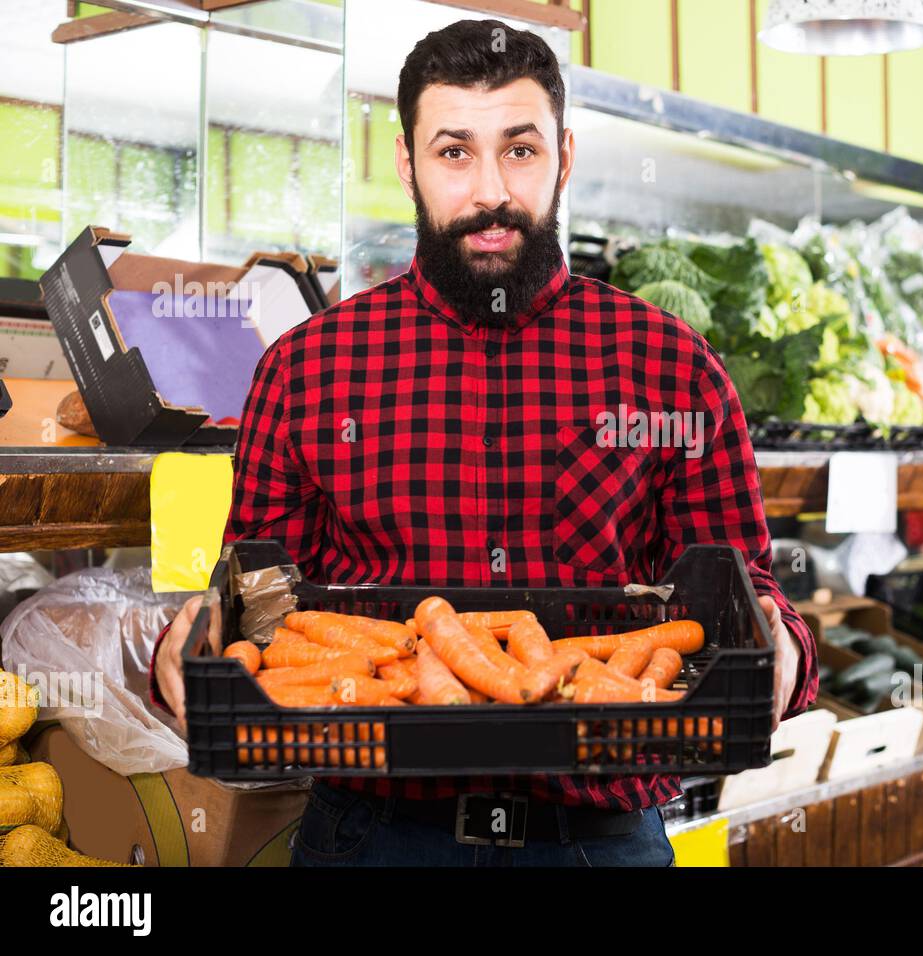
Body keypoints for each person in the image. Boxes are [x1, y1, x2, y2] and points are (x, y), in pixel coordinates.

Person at [148, 18, 817, 867]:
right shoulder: (307, 369)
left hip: (599, 840)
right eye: (455, 152)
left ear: (564, 159)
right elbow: (265, 600)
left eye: (521, 150)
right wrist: (195, 637)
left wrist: (780, 645)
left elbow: (744, 589)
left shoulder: (673, 369)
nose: (490, 190)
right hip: (373, 836)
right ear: (407, 163)